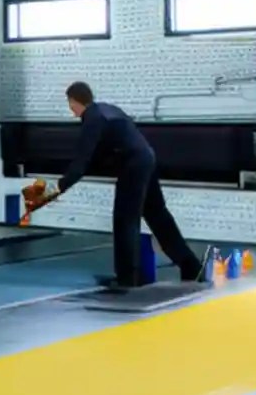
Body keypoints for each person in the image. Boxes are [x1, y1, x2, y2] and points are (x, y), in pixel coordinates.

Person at [47, 82, 203, 287]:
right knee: (158, 216)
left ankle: (128, 278)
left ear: (75, 101)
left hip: (133, 165)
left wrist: (59, 187)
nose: (71, 109)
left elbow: (82, 160)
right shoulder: (108, 110)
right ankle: (191, 267)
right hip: (147, 157)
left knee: (125, 221)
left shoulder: (92, 119)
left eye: (70, 104)